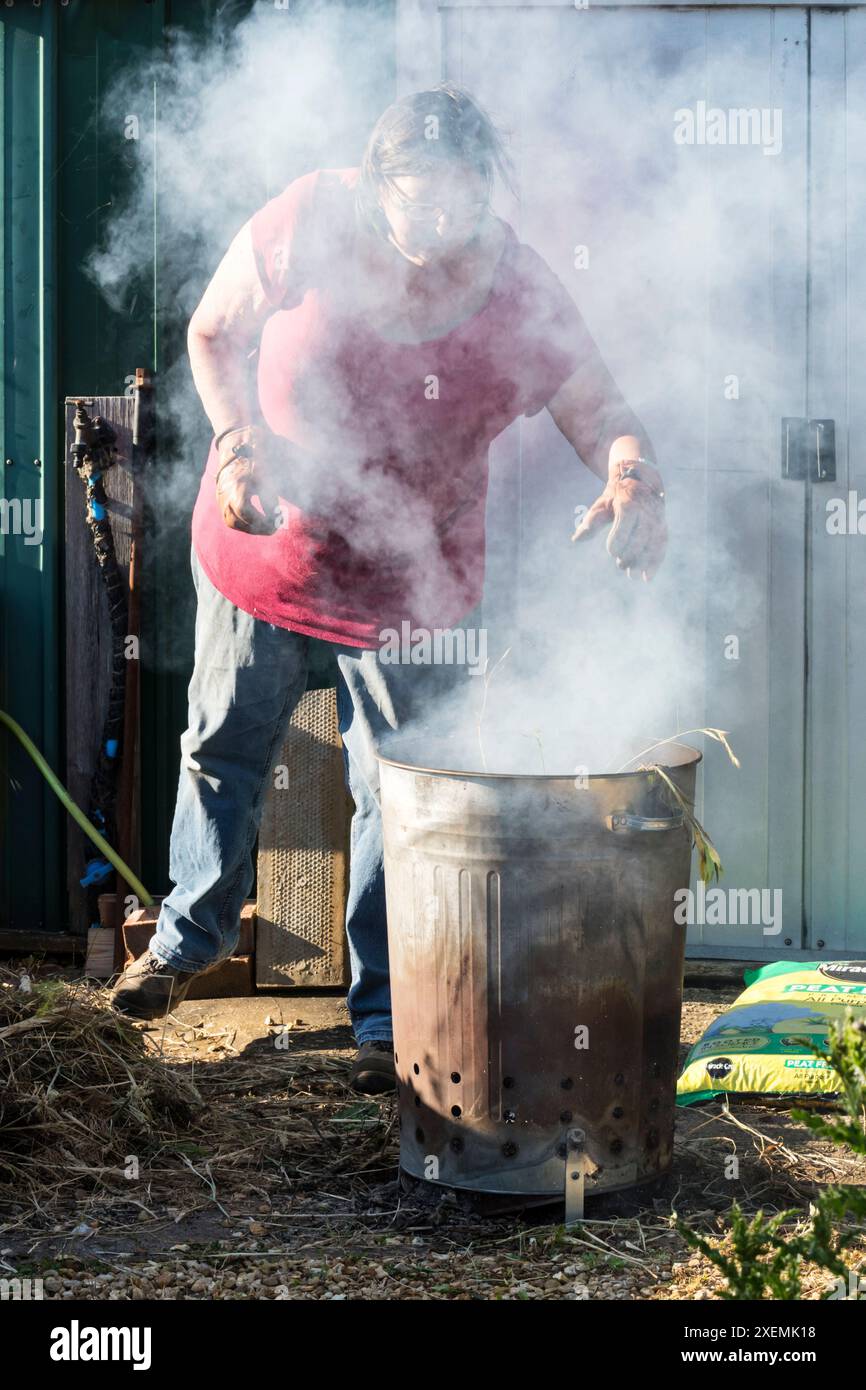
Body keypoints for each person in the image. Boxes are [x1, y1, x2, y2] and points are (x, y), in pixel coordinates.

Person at [109, 83, 666, 1093]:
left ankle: (381, 1014)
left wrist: (631, 480)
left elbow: (599, 409)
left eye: (459, 192)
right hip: (268, 546)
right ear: (377, 183)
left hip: (417, 578)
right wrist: (236, 449)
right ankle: (183, 947)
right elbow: (213, 331)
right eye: (416, 190)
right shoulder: (309, 217)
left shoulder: (517, 287)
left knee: (400, 794)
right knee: (223, 749)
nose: (437, 215)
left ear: (483, 190)